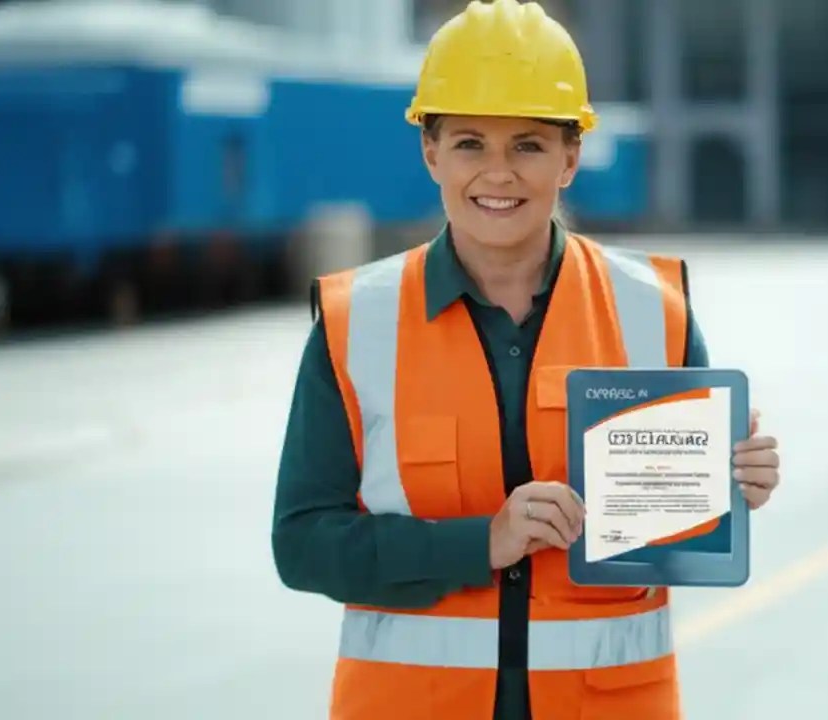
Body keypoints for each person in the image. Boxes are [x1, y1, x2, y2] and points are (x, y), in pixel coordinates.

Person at [270, 1, 782, 718]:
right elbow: (302, 545)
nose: (498, 173)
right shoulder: (358, 323)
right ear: (430, 152)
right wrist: (483, 541)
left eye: (529, 146)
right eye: (470, 143)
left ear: (571, 157)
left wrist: (728, 486)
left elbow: (673, 532)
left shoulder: (653, 310)